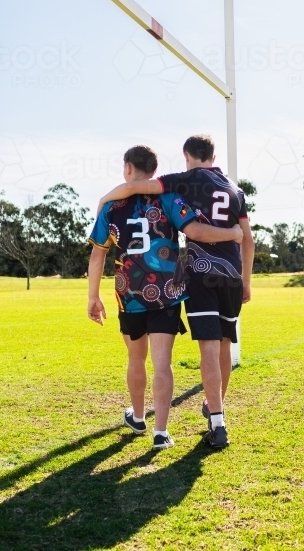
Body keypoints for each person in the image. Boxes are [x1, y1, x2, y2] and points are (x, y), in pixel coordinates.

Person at [97, 134, 254, 450]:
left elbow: (133, 188)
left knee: (208, 348)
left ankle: (218, 420)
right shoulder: (235, 189)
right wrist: (247, 280)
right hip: (233, 275)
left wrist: (104, 202)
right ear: (213, 155)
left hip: (199, 274)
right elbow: (247, 240)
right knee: (223, 345)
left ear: (186, 155)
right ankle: (213, 408)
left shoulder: (182, 182)